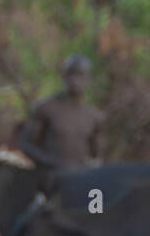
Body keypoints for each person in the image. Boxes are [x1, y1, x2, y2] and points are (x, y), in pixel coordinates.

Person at [14, 54, 102, 188]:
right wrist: (54, 163)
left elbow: (96, 155)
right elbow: (25, 145)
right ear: (63, 76)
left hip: (81, 182)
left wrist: (90, 167)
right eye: (70, 74)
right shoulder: (45, 108)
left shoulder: (93, 115)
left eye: (80, 75)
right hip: (49, 181)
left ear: (88, 79)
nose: (74, 80)